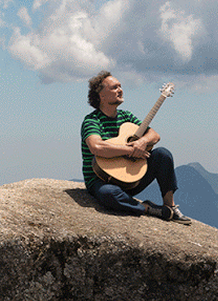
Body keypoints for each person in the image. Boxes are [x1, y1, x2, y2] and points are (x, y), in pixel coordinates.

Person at [81, 70, 191, 223]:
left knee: (162, 154)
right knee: (109, 194)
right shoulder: (92, 121)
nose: (120, 89)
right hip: (101, 181)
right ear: (101, 96)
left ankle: (170, 206)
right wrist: (130, 150)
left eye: (120, 86)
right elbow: (97, 147)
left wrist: (142, 142)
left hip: (130, 179)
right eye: (114, 87)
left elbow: (154, 135)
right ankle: (149, 209)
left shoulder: (127, 116)